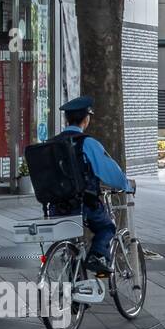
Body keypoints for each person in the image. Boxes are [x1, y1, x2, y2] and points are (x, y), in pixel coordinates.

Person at [53, 96, 132, 276]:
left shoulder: (52, 143)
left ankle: (78, 295)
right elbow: (110, 172)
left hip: (56, 206)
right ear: (86, 119)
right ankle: (97, 257)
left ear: (66, 119)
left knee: (72, 246)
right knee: (107, 227)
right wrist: (126, 185)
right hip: (83, 205)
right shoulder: (87, 143)